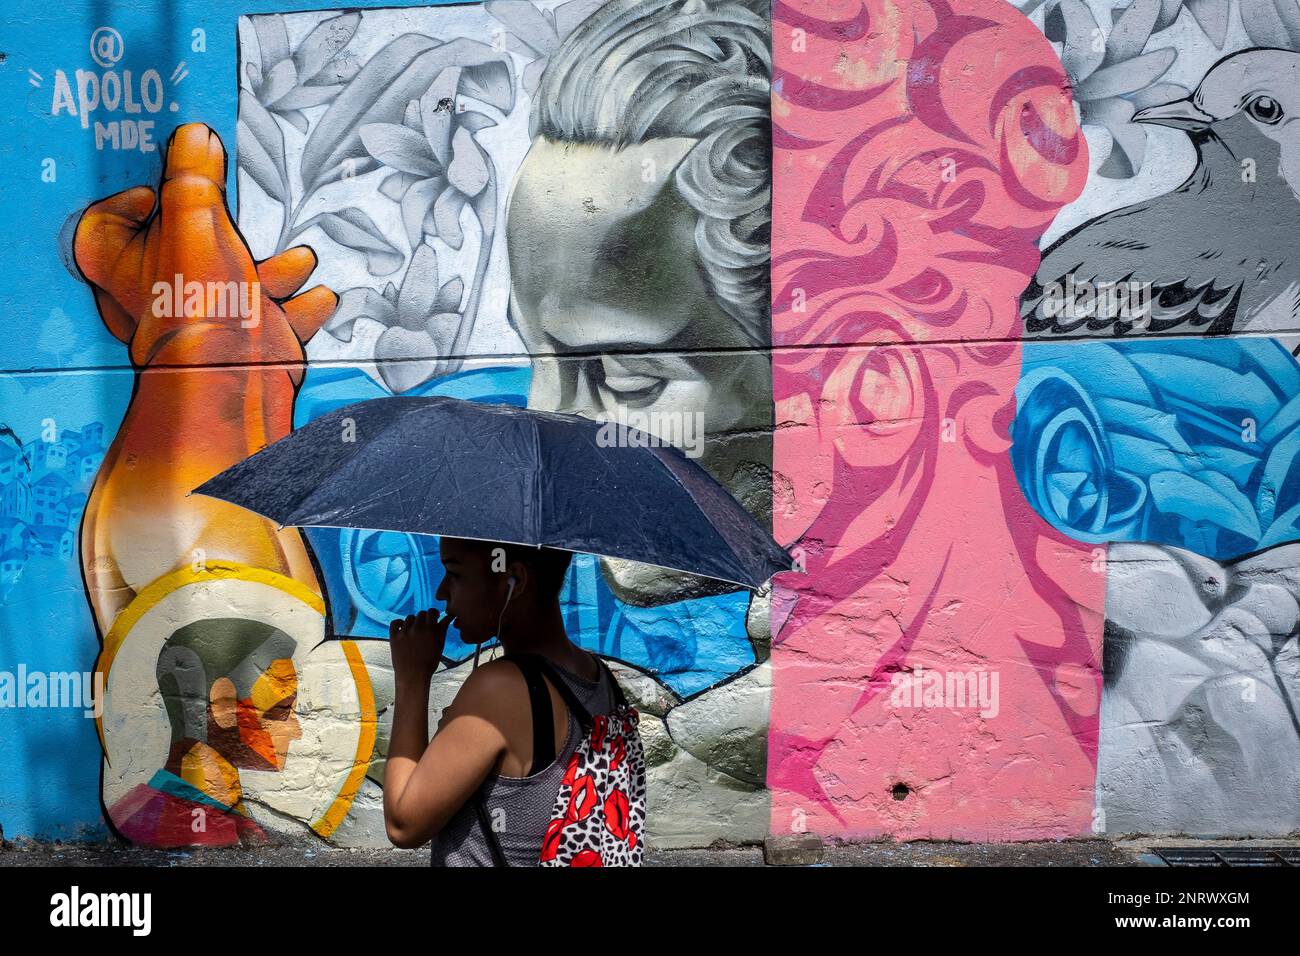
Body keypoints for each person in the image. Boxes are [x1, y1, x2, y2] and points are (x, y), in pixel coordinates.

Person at [382, 537, 629, 865]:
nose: (442, 592)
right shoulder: (599, 676)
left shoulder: (500, 689)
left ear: (514, 580)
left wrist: (411, 678)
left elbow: (403, 825)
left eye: (455, 574)